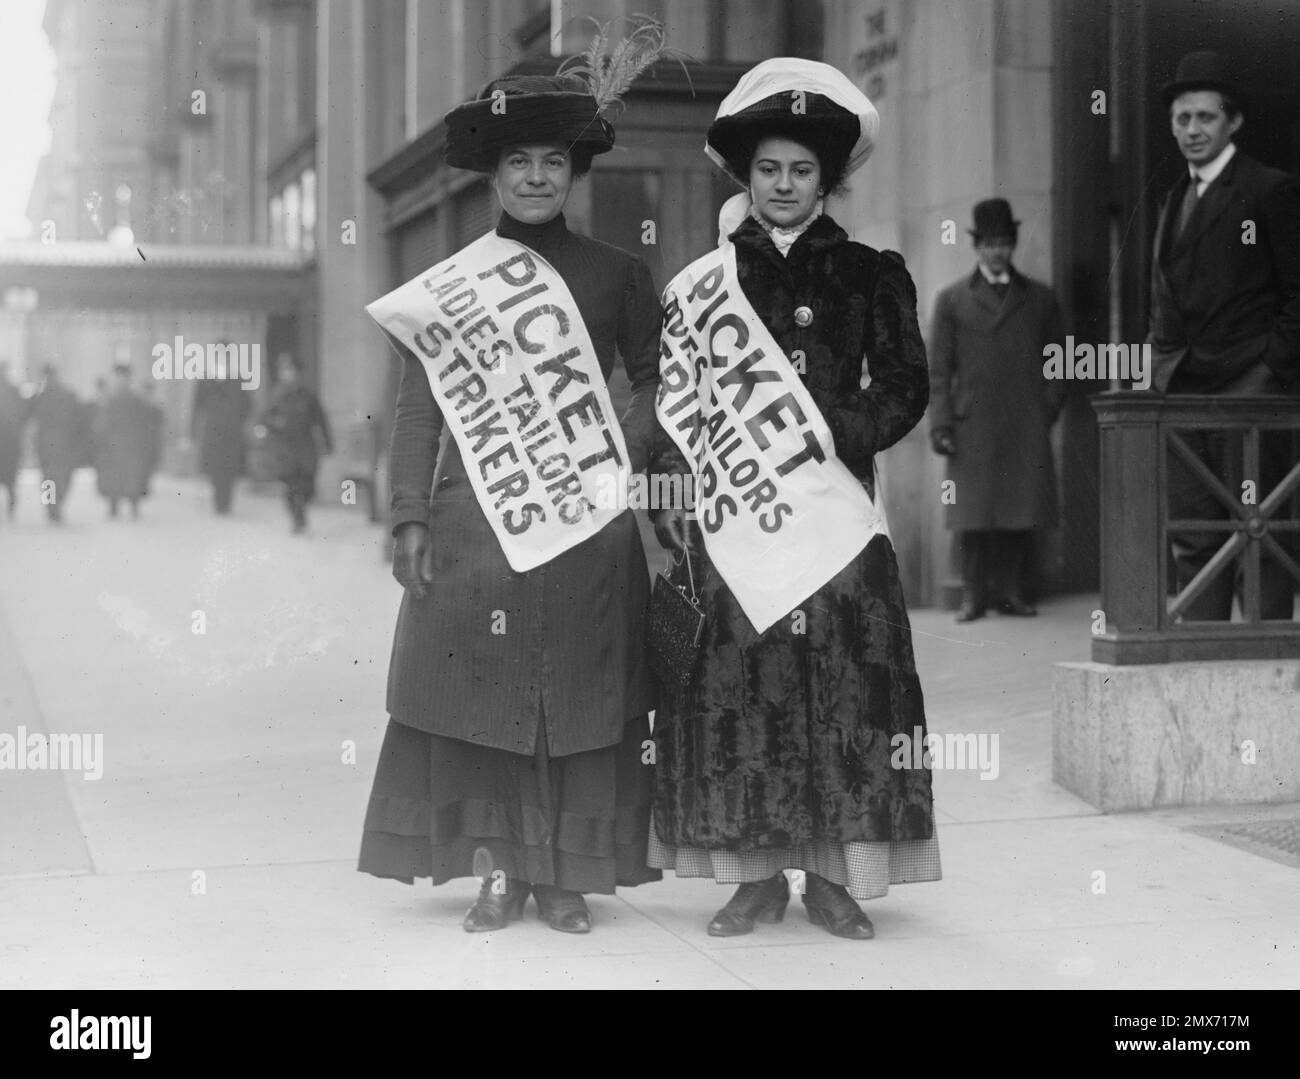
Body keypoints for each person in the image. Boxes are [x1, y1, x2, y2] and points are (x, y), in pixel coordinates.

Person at [358, 55, 667, 933]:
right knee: (486, 694)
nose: (536, 178)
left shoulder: (616, 275)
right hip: (477, 523)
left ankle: (564, 873)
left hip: (586, 518)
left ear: (574, 175)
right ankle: (496, 871)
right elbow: (419, 414)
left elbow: (658, 383)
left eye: (553, 164)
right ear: (494, 174)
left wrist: (622, 457)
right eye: (520, 163)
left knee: (575, 693)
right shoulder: (451, 287)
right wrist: (409, 516)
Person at [648, 58, 941, 940]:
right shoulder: (702, 287)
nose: (783, 184)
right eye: (769, 169)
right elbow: (675, 407)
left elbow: (905, 385)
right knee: (744, 693)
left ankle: (834, 876)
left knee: (844, 691)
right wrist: (677, 489)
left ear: (827, 179)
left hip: (839, 523)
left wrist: (833, 429)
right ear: (747, 175)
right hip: (738, 521)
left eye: (802, 170)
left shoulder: (866, 271)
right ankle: (752, 876)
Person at [1148, 50, 1300, 621]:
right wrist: (1160, 370)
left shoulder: (1268, 190)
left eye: (1205, 118)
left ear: (1232, 122)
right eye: (1183, 118)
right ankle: (1200, 655)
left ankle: (1265, 666)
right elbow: (1164, 299)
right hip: (1184, 395)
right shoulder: (1172, 202)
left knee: (1259, 530)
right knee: (1195, 532)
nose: (1192, 130)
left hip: (1250, 395)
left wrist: (1268, 372)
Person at [928, 199, 1067, 621]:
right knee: (972, 513)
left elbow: (1059, 362)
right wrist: (942, 424)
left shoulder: (1040, 298)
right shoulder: (952, 300)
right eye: (988, 243)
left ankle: (1010, 592)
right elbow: (938, 370)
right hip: (973, 423)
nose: (996, 251)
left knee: (1018, 509)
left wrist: (1045, 408)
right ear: (976, 246)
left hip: (1024, 419)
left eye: (1004, 242)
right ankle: (973, 596)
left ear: (1012, 244)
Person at [257, 352, 331, 533]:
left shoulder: (308, 396)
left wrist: (328, 443)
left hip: (305, 446)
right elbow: (264, 418)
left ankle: (300, 511)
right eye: (286, 371)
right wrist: (274, 424)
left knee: (308, 486)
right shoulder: (277, 396)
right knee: (291, 484)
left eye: (292, 371)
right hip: (284, 448)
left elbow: (321, 420)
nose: (289, 374)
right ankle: (298, 517)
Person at [191, 349, 251, 514]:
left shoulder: (239, 379)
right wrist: (191, 433)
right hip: (213, 433)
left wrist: (238, 420)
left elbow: (248, 405)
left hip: (232, 434)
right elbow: (196, 408)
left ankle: (226, 501)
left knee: (230, 469)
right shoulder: (205, 380)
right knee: (215, 468)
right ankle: (219, 500)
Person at [93, 364, 157, 519]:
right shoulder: (110, 399)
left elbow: (145, 422)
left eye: (125, 377)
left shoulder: (136, 399)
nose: (122, 380)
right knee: (113, 477)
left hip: (132, 444)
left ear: (129, 379)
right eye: (119, 377)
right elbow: (103, 422)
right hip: (113, 445)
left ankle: (134, 505)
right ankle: (113, 506)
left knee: (132, 476)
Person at [29, 365, 84, 524]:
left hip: (51, 445)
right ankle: (54, 507)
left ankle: (52, 507)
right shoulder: (54, 395)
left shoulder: (46, 395)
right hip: (59, 445)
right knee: (59, 477)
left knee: (51, 479)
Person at [0, 361, 23, 519]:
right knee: (10, 477)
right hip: (10, 440)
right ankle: (11, 503)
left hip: (9, 441)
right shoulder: (13, 391)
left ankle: (12, 503)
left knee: (9, 476)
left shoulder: (13, 391)